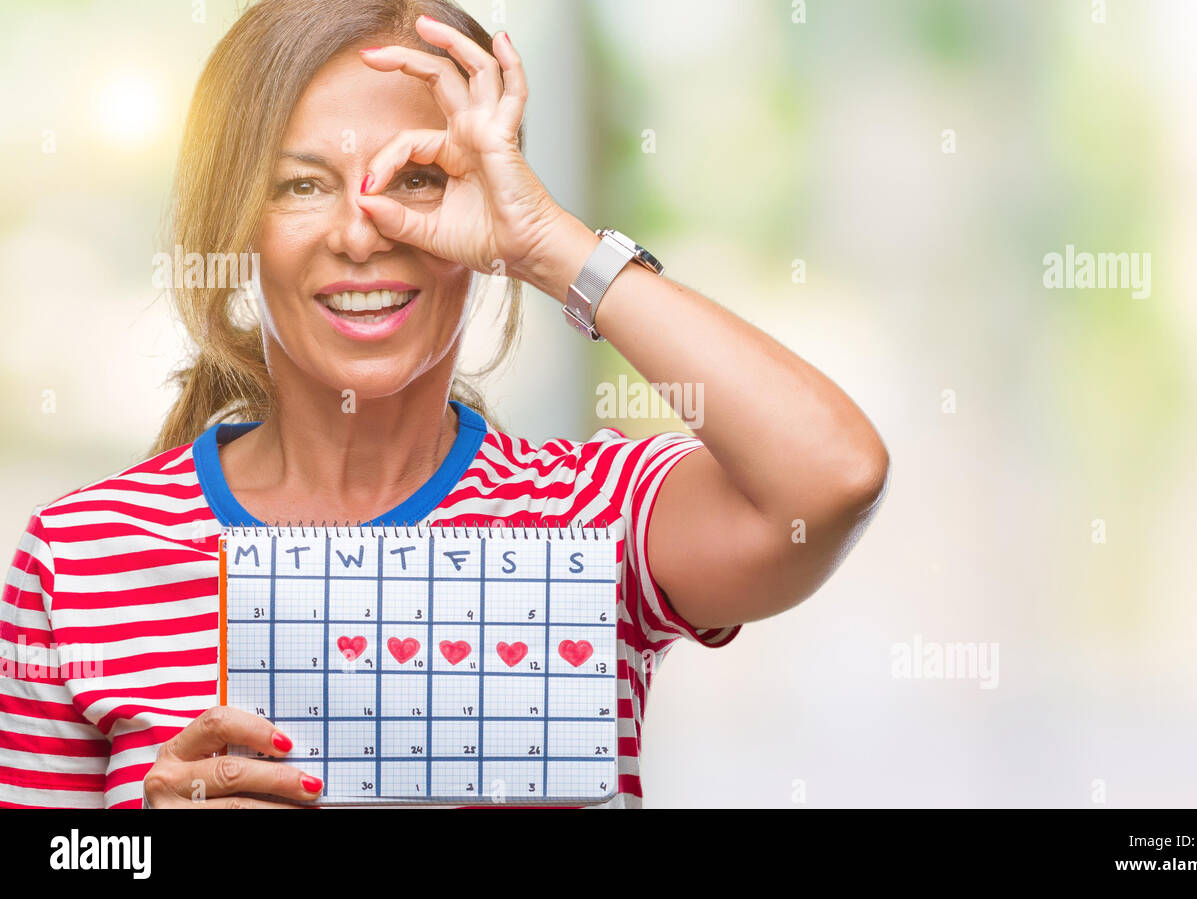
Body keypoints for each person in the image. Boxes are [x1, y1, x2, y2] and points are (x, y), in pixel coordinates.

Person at [0, 0, 889, 809]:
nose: (358, 233)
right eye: (301, 184)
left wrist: (548, 243)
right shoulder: (79, 557)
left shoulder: (591, 515)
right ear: (236, 221)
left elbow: (835, 478)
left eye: (418, 178)